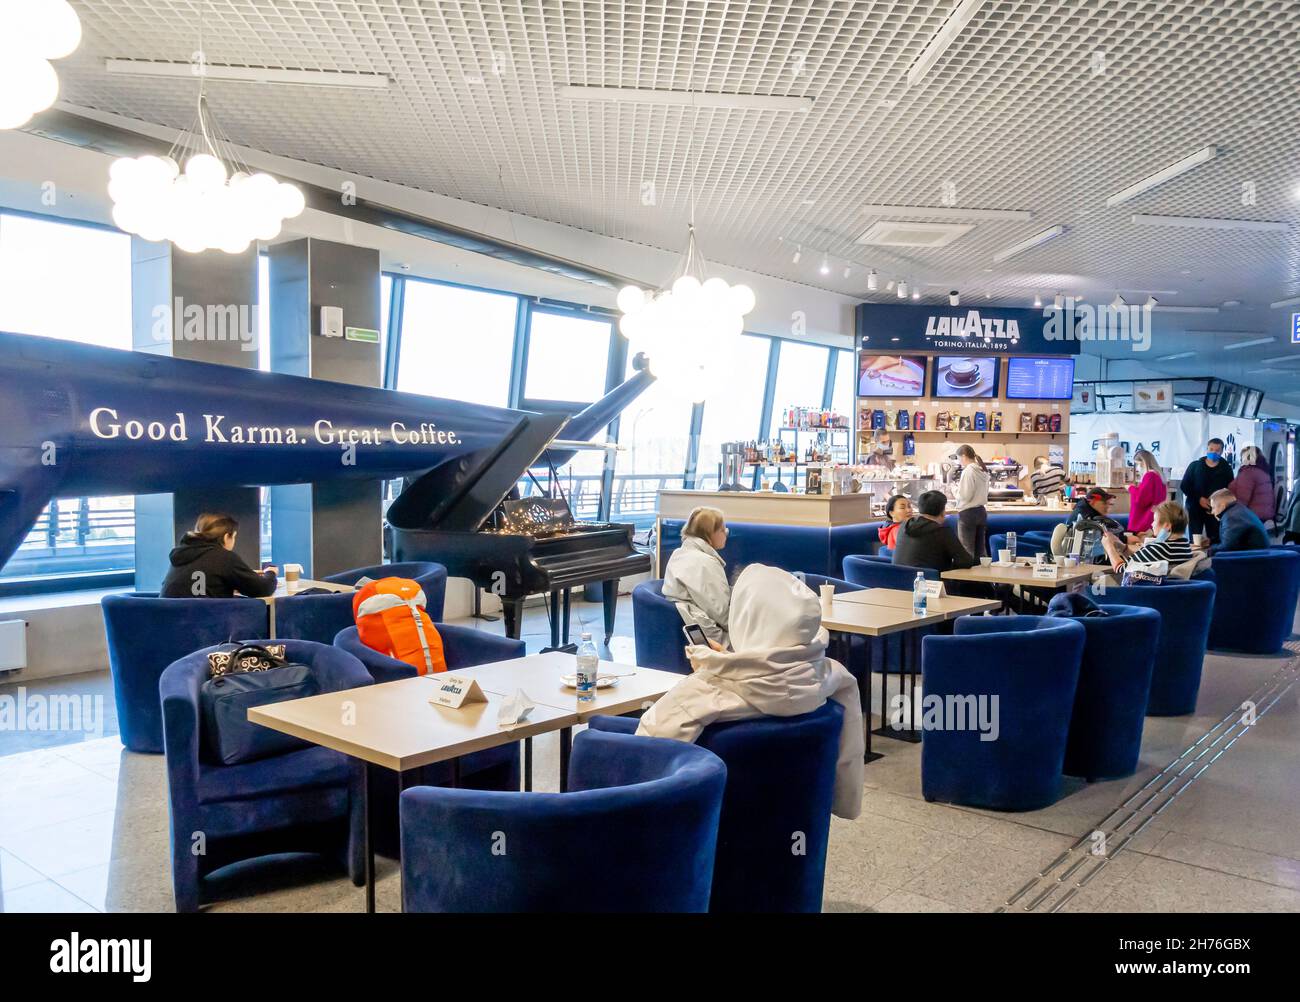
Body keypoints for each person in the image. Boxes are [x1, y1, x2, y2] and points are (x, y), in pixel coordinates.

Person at [637, 563, 864, 820]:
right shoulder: (836, 676)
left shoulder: (701, 694)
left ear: (746, 618)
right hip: (797, 826)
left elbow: (647, 756)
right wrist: (729, 663)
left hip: (710, 832)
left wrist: (708, 672)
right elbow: (849, 754)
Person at [160, 513, 277, 599]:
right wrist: (271, 573)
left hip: (167, 625)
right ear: (226, 537)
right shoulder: (225, 558)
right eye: (234, 537)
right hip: (205, 627)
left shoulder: (180, 555)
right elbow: (262, 589)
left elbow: (196, 588)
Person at [662, 505, 731, 648]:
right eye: (722, 529)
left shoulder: (680, 553)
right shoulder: (705, 563)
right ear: (709, 534)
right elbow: (721, 613)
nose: (726, 533)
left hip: (690, 625)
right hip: (710, 635)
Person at [893, 489, 975, 574]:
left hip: (896, 581)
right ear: (943, 512)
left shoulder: (904, 526)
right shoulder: (942, 532)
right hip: (930, 584)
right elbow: (966, 561)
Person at [1102, 500, 1195, 574]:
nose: (1152, 524)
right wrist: (1123, 548)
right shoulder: (1185, 546)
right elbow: (1141, 561)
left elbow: (1121, 570)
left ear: (1167, 526)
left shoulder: (1161, 548)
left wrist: (1109, 547)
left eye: (1155, 520)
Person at [1181, 438, 1234, 544]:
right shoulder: (1195, 466)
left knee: (1215, 538)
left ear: (1221, 452)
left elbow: (1230, 489)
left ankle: (1213, 559)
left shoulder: (1226, 469)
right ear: (1207, 449)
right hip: (1195, 507)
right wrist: (1199, 498)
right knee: (1195, 539)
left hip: (1216, 510)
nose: (1213, 452)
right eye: (1211, 449)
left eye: (1217, 450)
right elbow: (1185, 486)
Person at [1066, 487, 1126, 564]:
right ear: (1093, 501)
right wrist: (1125, 540)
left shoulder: (1089, 511)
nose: (1107, 506)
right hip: (1084, 558)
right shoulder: (1085, 516)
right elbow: (1098, 536)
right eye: (1104, 503)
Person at [953, 444, 990, 558]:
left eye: (959, 459)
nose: (960, 462)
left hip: (968, 513)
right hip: (981, 512)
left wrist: (954, 491)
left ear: (963, 456)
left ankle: (967, 575)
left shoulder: (968, 471)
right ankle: (982, 574)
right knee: (980, 551)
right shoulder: (982, 470)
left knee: (966, 551)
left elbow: (965, 496)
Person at [1207, 488, 1269, 553]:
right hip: (1260, 553)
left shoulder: (1231, 517)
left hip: (1255, 558)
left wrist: (1209, 550)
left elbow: (1226, 547)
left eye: (1213, 507)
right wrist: (1212, 541)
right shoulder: (1237, 509)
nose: (1212, 512)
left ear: (1222, 506)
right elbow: (1231, 536)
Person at [1229, 445, 1275, 525]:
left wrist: (1233, 516)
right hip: (1263, 512)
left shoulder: (1248, 473)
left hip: (1251, 515)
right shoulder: (1262, 471)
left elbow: (1242, 499)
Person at [1126, 449, 1166, 534]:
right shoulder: (1159, 476)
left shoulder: (1149, 476)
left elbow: (1141, 499)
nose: (1137, 468)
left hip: (1143, 520)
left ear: (1143, 462)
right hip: (1154, 516)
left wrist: (1131, 488)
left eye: (1137, 464)